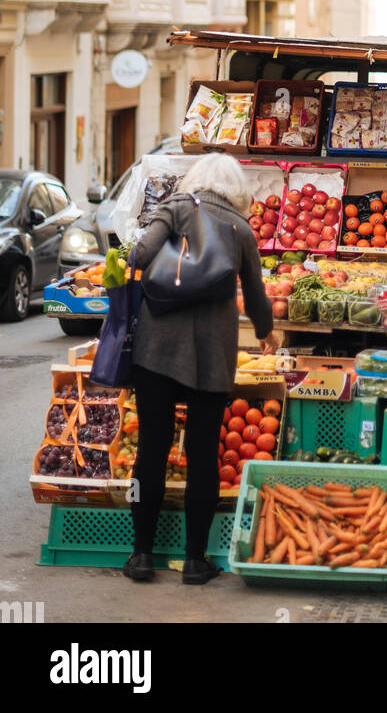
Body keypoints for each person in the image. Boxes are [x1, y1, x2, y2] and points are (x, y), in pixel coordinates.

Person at [124, 154, 277, 583]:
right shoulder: (241, 229)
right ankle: (195, 560)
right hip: (212, 355)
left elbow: (141, 254)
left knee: (149, 451)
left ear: (197, 179)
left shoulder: (175, 207)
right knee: (203, 456)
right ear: (238, 191)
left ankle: (141, 555)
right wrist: (267, 334)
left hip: (157, 350)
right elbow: (257, 295)